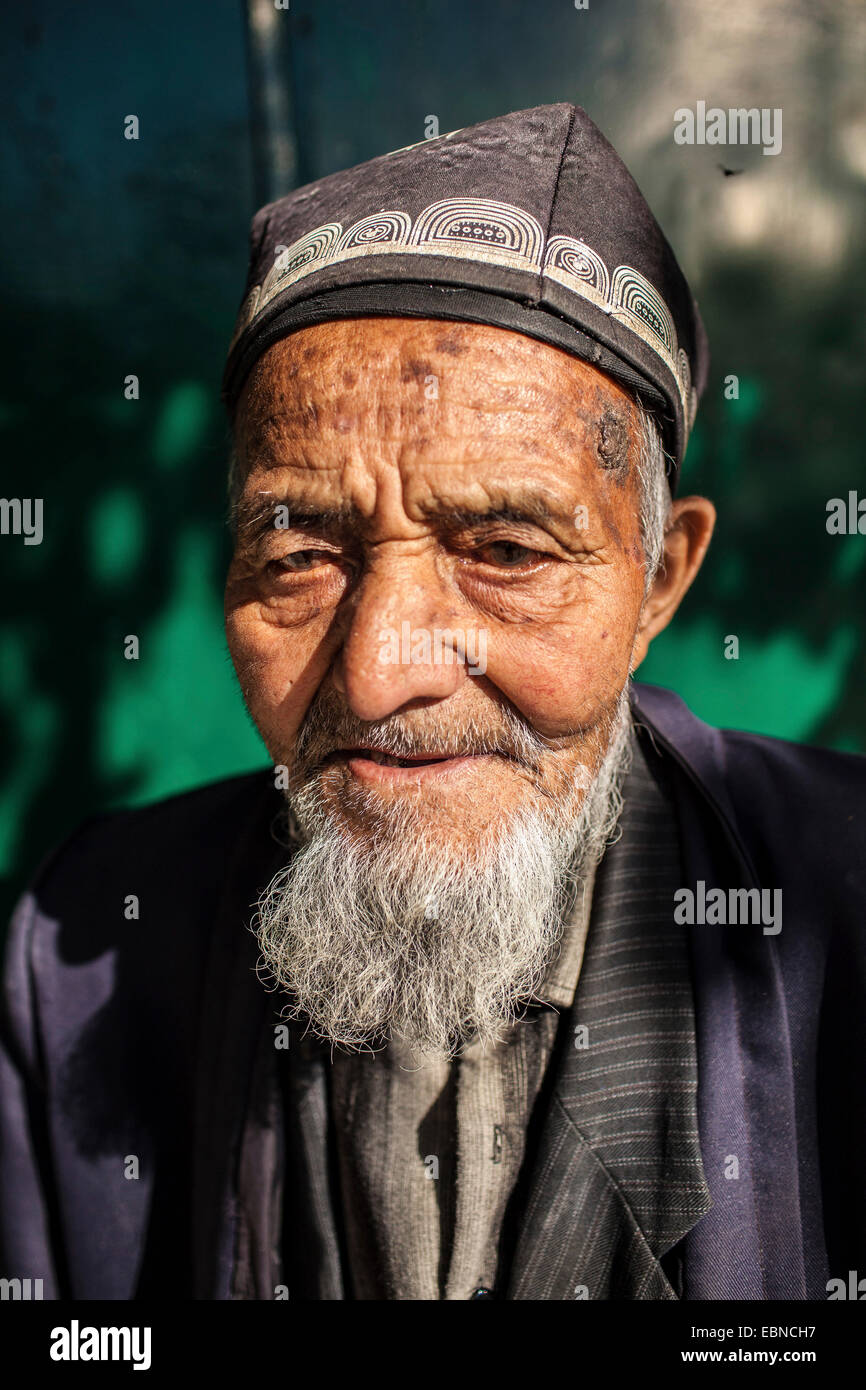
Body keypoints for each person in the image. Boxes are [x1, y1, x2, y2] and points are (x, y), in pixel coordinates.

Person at [1, 104, 864, 1301]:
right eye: (299, 556)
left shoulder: (845, 906)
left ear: (658, 578)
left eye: (505, 549)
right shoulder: (83, 949)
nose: (376, 671)